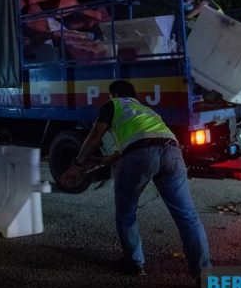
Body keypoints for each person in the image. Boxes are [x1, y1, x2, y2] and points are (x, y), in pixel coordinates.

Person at [63, 80, 211, 277]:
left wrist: (78, 164)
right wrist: (102, 161)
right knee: (188, 216)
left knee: (126, 211)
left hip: (140, 156)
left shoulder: (114, 105)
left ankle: (134, 262)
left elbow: (95, 136)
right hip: (172, 152)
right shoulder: (147, 111)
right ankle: (203, 275)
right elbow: (131, 145)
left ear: (113, 94)